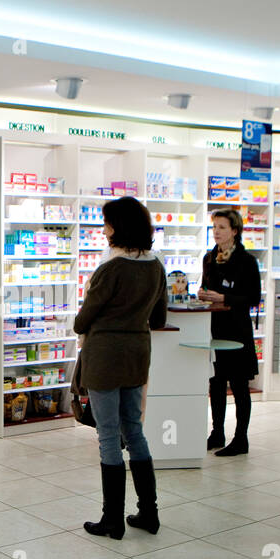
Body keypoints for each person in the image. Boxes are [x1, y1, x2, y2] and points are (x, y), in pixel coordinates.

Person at [73, 196, 167, 539]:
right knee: (135, 431)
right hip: (137, 355)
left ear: (117, 228)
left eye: (106, 223)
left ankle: (112, 519)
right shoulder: (155, 266)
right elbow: (158, 318)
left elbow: (83, 319)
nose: (104, 229)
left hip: (104, 357)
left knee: (108, 435)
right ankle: (148, 513)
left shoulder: (110, 268)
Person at [198, 207, 262, 455]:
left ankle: (241, 439)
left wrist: (224, 297)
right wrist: (203, 295)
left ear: (235, 231)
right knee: (216, 383)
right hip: (213, 328)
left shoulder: (247, 262)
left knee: (239, 385)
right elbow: (206, 286)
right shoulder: (209, 258)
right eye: (214, 228)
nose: (216, 232)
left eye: (222, 228)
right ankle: (217, 433)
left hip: (237, 330)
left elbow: (253, 297)